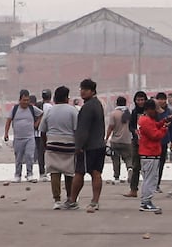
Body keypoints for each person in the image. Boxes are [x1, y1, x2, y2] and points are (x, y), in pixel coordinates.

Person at [41, 85, 81, 210]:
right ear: (65, 97)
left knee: (54, 172)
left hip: (52, 144)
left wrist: (46, 145)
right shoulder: (72, 110)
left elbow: (42, 130)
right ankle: (70, 198)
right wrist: (78, 146)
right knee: (69, 173)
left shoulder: (49, 111)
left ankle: (57, 200)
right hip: (68, 145)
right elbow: (77, 130)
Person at [75, 79, 108, 212]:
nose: (82, 91)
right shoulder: (98, 104)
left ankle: (72, 200)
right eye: (81, 89)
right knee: (96, 173)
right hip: (99, 144)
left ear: (92, 91)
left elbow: (83, 129)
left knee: (79, 173)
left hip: (89, 146)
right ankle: (95, 201)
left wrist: (78, 146)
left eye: (85, 89)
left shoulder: (87, 107)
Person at [135, 97, 170, 213]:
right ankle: (146, 202)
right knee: (150, 180)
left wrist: (163, 122)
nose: (156, 113)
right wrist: (164, 128)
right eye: (155, 111)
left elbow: (155, 126)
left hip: (148, 154)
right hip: (150, 154)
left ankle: (146, 201)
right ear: (149, 110)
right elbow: (155, 135)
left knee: (149, 179)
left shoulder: (145, 120)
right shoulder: (146, 121)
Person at [4, 90, 41, 183]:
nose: (26, 102)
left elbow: (42, 114)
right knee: (18, 158)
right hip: (18, 138)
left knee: (29, 156)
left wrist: (36, 123)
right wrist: (6, 133)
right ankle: (17, 175)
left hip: (30, 138)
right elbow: (8, 121)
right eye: (24, 100)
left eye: (27, 100)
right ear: (19, 100)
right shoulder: (15, 109)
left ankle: (30, 174)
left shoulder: (32, 108)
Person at [106, 96, 133, 183]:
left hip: (116, 141)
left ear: (116, 103)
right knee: (128, 158)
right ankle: (129, 168)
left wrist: (106, 138)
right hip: (127, 141)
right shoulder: (129, 114)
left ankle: (117, 176)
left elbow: (110, 127)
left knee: (115, 159)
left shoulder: (114, 114)